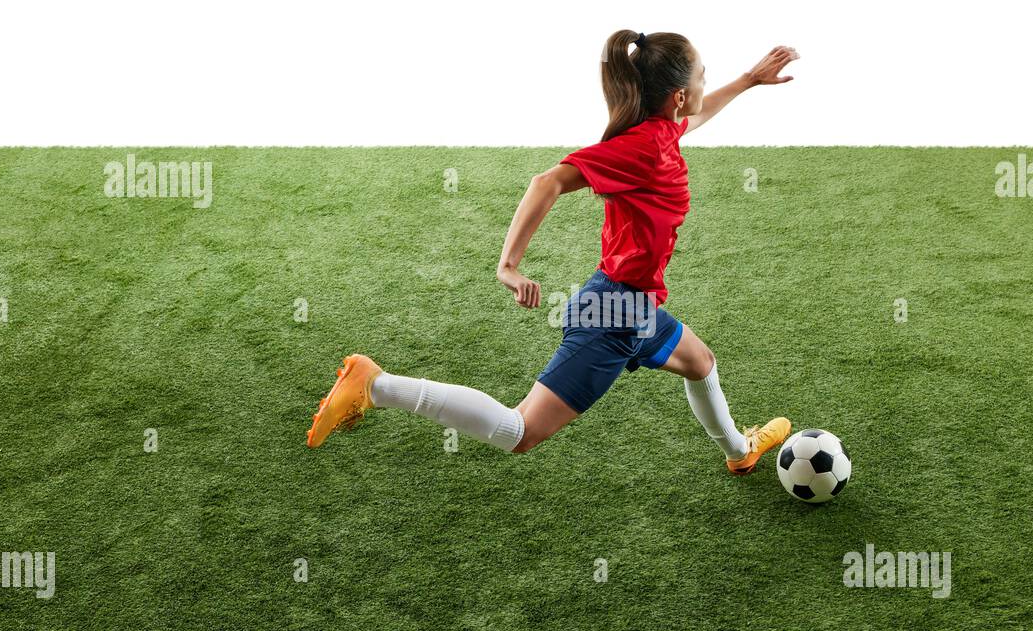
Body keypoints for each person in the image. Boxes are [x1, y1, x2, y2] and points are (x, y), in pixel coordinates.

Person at [307, 30, 799, 474]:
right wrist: (508, 265)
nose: (704, 84)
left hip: (633, 306)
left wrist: (749, 80)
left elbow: (701, 112)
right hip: (613, 313)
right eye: (702, 76)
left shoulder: (664, 132)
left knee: (700, 362)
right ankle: (375, 385)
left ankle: (739, 452)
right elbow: (547, 182)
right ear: (677, 96)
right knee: (520, 433)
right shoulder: (640, 149)